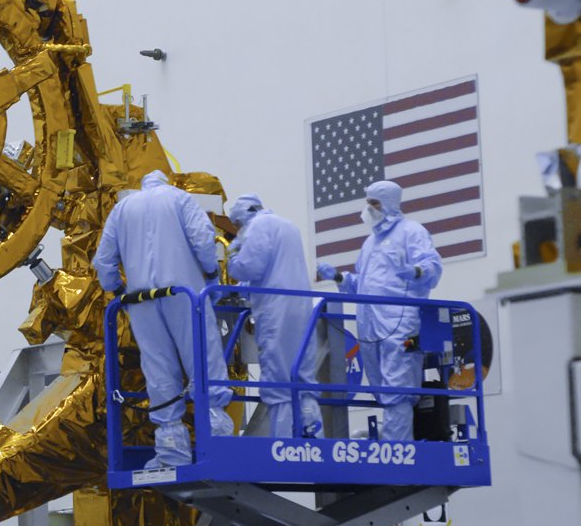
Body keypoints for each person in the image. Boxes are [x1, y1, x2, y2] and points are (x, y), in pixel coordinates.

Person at [92, 170, 236, 468]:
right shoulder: (179, 199)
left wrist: (119, 289)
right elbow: (203, 240)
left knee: (158, 370)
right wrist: (211, 275)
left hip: (140, 301)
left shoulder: (122, 209)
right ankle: (218, 442)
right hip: (184, 295)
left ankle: (172, 451)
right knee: (202, 359)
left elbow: (103, 260)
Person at [316, 180, 442, 441]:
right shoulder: (370, 243)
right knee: (381, 389)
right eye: (368, 202)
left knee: (398, 389)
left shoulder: (412, 232)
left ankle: (398, 450)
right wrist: (339, 277)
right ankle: (393, 443)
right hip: (370, 325)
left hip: (401, 323)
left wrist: (414, 271)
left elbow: (432, 267)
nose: (369, 209)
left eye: (374, 203)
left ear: (389, 204)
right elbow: (361, 284)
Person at [226, 194, 323, 438]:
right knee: (301, 376)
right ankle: (313, 441)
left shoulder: (256, 226)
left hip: (274, 308)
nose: (238, 230)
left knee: (278, 381)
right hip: (300, 308)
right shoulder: (287, 226)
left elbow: (250, 267)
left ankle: (284, 447)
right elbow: (274, 267)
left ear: (242, 217)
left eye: (237, 225)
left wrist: (233, 258)